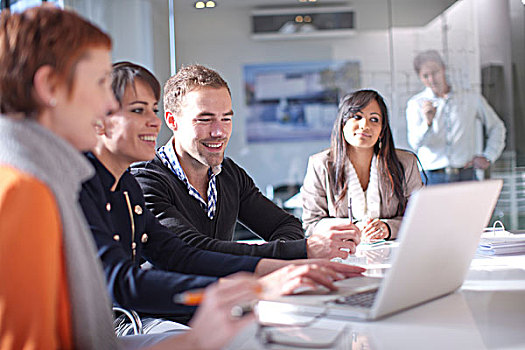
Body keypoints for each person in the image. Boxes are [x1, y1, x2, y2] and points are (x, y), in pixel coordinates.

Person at [0, 7, 358, 350]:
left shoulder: (64, 179)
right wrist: (255, 286)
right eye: (99, 84)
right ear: (49, 86)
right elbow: (117, 284)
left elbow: (176, 254)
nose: (107, 105)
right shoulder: (26, 191)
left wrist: (265, 277)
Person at [81, 61, 365, 327]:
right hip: (146, 323)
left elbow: (180, 256)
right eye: (137, 110)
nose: (152, 122)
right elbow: (145, 275)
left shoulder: (127, 186)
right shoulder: (124, 181)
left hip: (200, 311)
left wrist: (280, 269)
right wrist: (270, 274)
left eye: (151, 110)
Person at [131, 64, 360, 260]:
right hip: (170, 310)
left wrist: (290, 253)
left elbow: (286, 226)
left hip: (227, 299)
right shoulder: (145, 181)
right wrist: (302, 250)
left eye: (226, 118)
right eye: (205, 119)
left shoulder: (229, 174)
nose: (219, 131)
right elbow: (192, 252)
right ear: (172, 121)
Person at [302, 90, 423, 242]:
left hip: (392, 254)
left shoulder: (406, 163)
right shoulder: (320, 165)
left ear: (382, 131)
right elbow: (311, 223)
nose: (365, 125)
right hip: (341, 254)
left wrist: (388, 228)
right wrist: (356, 228)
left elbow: (420, 217)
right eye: (357, 117)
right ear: (343, 124)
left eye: (374, 119)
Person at [406, 50, 506, 185]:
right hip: (432, 177)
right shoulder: (416, 104)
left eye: (435, 72)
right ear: (420, 77)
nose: (432, 79)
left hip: (466, 174)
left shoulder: (469, 97)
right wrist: (428, 123)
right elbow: (415, 143)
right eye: (425, 76)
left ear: (443, 69)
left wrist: (489, 156)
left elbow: (496, 126)